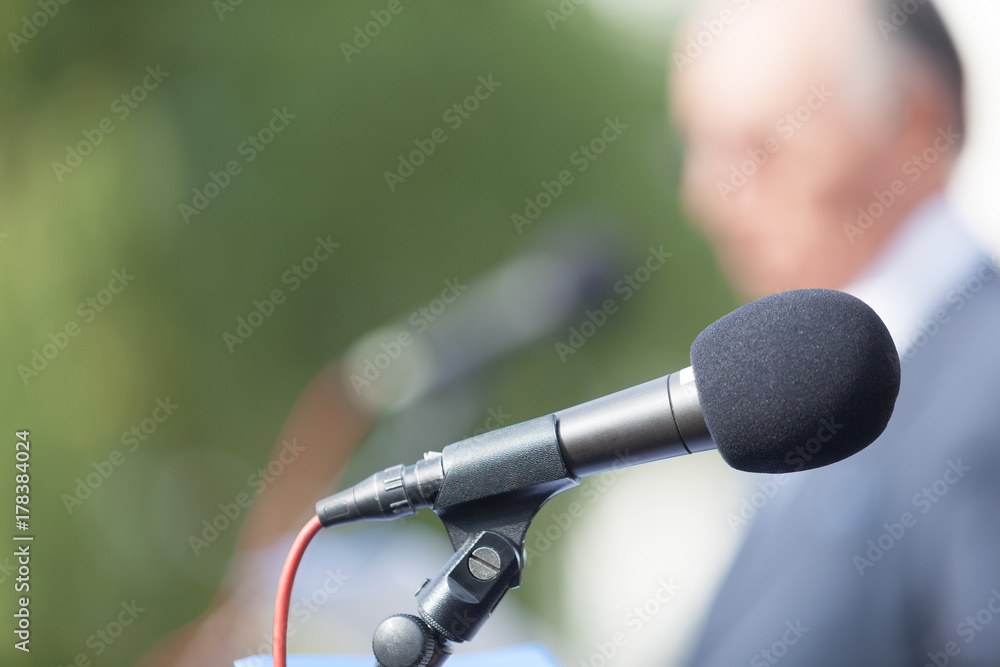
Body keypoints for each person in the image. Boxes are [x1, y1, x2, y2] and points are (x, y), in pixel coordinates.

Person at [669, 0, 1000, 664]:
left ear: (915, 121)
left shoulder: (983, 385)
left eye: (757, 148)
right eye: (695, 147)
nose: (702, 195)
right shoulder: (807, 389)